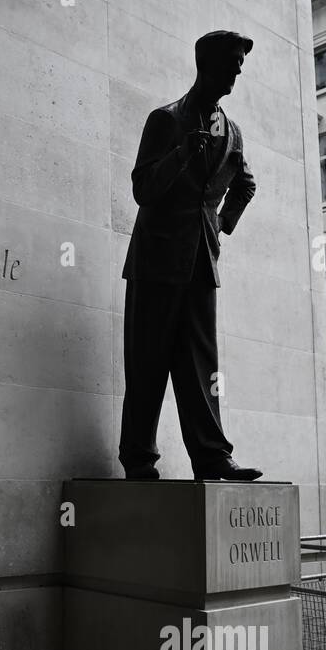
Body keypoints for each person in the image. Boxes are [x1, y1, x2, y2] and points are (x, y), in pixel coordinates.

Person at [119, 30, 262, 482]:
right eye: (234, 61)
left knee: (201, 361)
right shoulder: (165, 121)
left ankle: (212, 455)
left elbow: (246, 185)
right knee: (148, 361)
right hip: (156, 259)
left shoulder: (232, 132)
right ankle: (138, 459)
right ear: (208, 63)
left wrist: (220, 223)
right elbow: (143, 189)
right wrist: (182, 154)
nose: (239, 70)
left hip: (202, 259)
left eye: (241, 63)